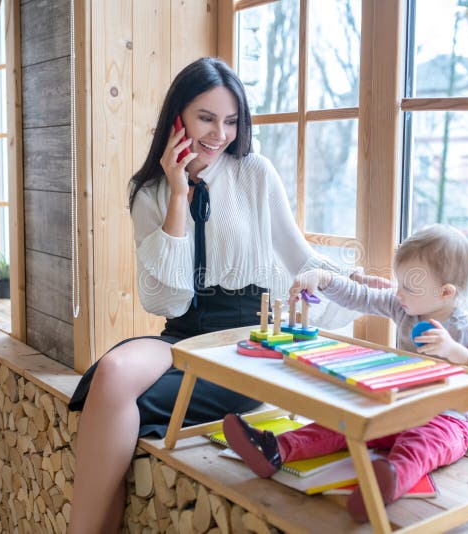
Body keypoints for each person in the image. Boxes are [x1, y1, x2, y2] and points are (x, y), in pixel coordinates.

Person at [66, 57, 359, 533]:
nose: (219, 133)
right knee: (114, 373)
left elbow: (300, 259)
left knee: (112, 409)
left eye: (231, 120)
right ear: (177, 115)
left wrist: (359, 286)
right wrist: (179, 196)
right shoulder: (150, 192)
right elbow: (167, 302)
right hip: (183, 335)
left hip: (246, 344)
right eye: (206, 117)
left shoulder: (255, 173)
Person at [222, 224, 468, 522]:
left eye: (409, 286)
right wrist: (324, 278)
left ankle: (389, 481)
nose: (399, 292)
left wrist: (457, 352)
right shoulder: (405, 307)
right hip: (402, 407)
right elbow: (362, 296)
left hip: (448, 420)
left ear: (446, 292)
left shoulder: (464, 327)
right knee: (342, 426)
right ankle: (276, 449)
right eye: (400, 283)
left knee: (419, 446)